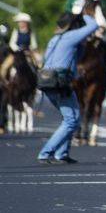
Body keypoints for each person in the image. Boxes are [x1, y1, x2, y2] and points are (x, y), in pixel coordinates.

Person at [36, 10, 100, 164]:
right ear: (74, 26)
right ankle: (45, 153)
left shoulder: (55, 39)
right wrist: (83, 13)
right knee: (72, 120)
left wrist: (81, 47)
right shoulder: (71, 36)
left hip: (47, 81)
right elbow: (94, 25)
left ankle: (62, 153)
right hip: (59, 82)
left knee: (70, 118)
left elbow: (72, 58)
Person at [1, 13, 39, 80]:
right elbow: (12, 43)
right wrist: (18, 49)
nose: (20, 24)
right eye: (19, 22)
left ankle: (37, 81)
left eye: (21, 22)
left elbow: (34, 44)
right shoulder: (16, 32)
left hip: (27, 53)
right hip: (17, 54)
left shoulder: (30, 32)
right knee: (5, 66)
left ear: (25, 23)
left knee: (37, 65)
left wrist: (29, 49)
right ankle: (5, 82)